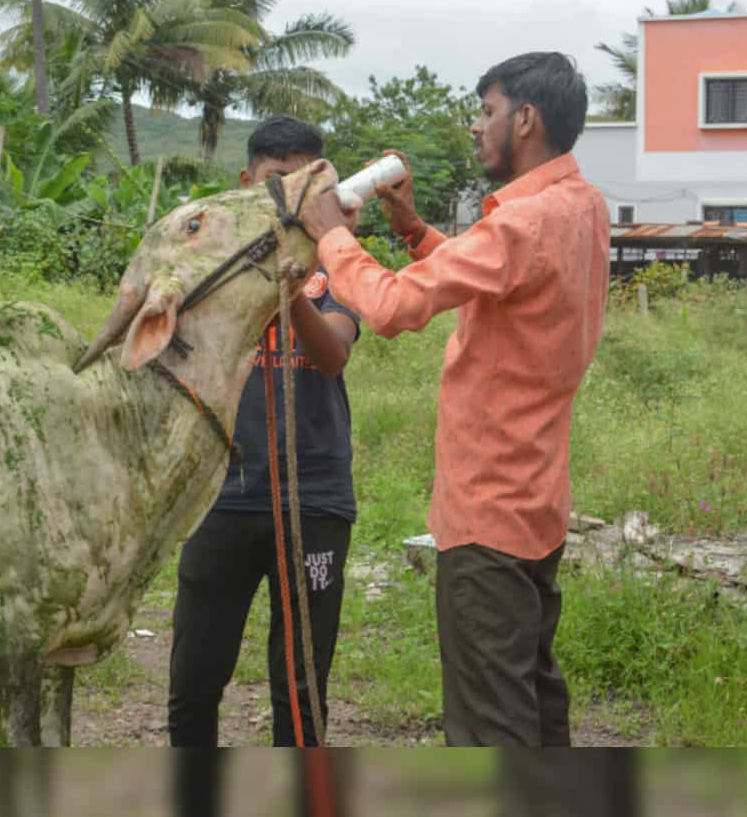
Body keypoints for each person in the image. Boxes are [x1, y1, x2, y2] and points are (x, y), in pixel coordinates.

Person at [298, 52, 610, 747]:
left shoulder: (521, 223)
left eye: (486, 111)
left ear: (525, 118)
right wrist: (411, 229)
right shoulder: (580, 206)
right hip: (534, 507)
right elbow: (495, 274)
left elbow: (390, 307)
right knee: (531, 700)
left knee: (489, 728)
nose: (476, 126)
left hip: (488, 519)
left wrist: (332, 237)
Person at [167, 115, 361, 762]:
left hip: (314, 502)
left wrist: (292, 288)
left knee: (301, 691)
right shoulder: (204, 269)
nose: (288, 199)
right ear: (248, 182)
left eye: (304, 184)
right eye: (276, 183)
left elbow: (333, 353)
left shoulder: (338, 267)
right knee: (194, 683)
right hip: (218, 497)